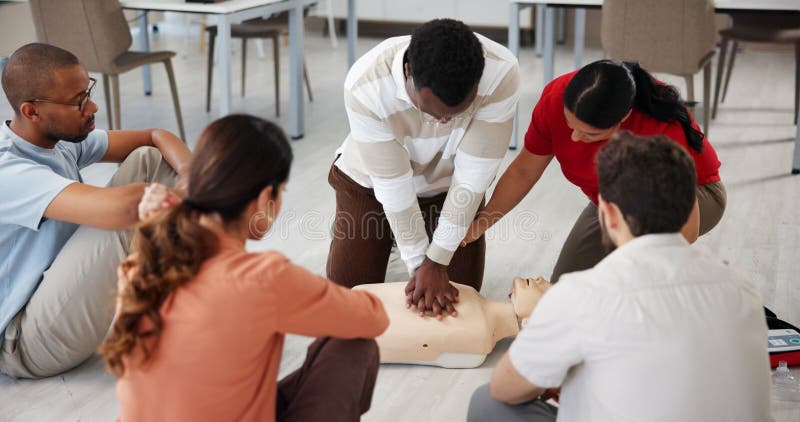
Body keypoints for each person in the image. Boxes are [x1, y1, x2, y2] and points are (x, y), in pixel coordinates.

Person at [101, 115, 390, 422]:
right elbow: (372, 318)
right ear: (266, 197)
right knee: (353, 346)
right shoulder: (263, 277)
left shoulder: (142, 263)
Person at [467, 132, 771, 422]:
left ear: (608, 215)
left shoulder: (581, 293)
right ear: (691, 209)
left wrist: (572, 380)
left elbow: (504, 388)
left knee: (488, 403)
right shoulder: (741, 287)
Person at [0, 43, 191, 379]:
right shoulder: (8, 170)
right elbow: (126, 208)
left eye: (87, 90)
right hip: (24, 342)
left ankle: (194, 304)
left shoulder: (55, 140)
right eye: (77, 101)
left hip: (57, 300)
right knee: (125, 215)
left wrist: (194, 177)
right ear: (31, 112)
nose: (92, 106)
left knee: (148, 158)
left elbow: (154, 136)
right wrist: (213, 196)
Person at [463, 60, 725, 282]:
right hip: (614, 197)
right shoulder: (556, 98)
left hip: (691, 196)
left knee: (626, 277)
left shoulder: (658, 130)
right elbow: (524, 171)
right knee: (566, 285)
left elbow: (686, 230)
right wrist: (482, 223)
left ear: (623, 118)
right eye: (569, 123)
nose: (575, 137)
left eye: (591, 134)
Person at [327, 18, 520, 317]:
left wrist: (439, 259)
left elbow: (472, 178)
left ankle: (409, 238)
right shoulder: (365, 83)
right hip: (369, 183)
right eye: (432, 110)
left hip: (447, 186)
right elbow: (392, 184)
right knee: (346, 300)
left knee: (461, 295)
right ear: (408, 73)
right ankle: (390, 240)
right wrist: (420, 265)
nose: (443, 122)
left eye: (456, 113)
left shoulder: (501, 72)